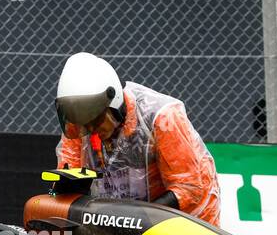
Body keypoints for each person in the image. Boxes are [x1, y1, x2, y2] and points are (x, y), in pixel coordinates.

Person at [53, 52, 221, 224]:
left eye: (96, 121)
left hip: (185, 221)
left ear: (113, 103)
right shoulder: (80, 127)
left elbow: (189, 189)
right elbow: (65, 186)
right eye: (84, 124)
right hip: (119, 222)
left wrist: (136, 220)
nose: (91, 129)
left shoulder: (162, 118)